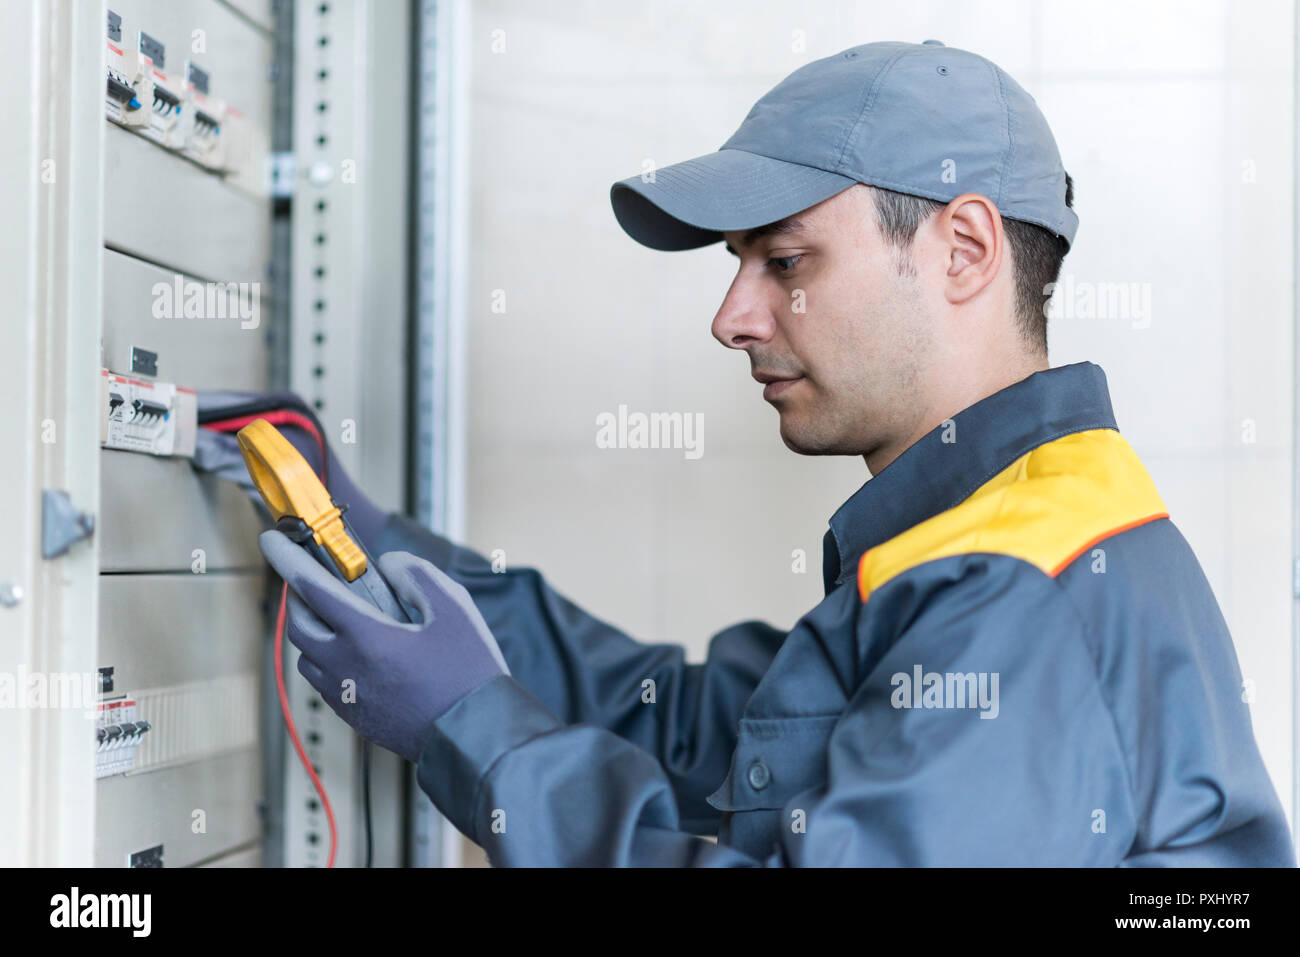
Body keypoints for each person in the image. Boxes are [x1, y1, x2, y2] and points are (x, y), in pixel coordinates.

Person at [256, 40, 1296, 866]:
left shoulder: (1018, 593)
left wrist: (469, 728)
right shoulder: (987, 531)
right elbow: (692, 723)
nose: (732, 317)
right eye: (737, 263)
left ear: (964, 252)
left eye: (785, 259)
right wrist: (374, 541)